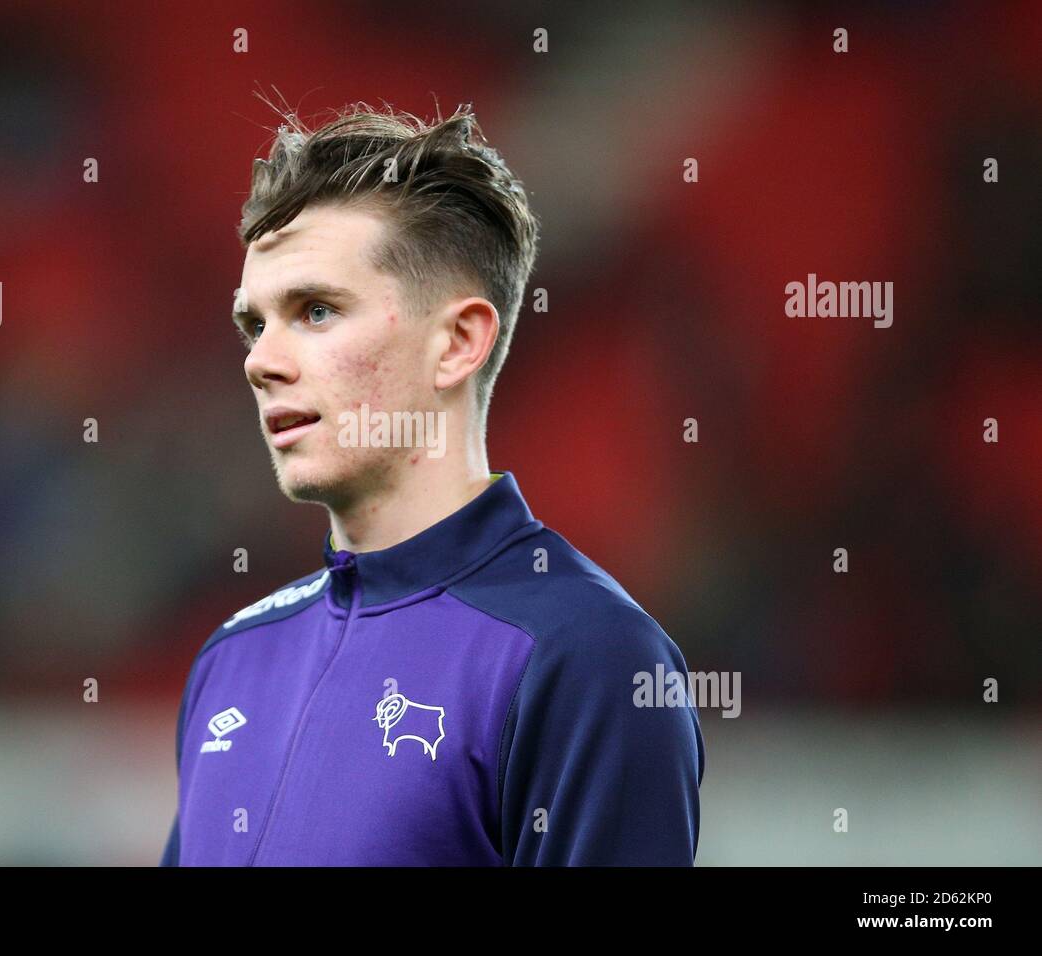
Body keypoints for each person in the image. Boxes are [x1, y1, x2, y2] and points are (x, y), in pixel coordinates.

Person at [160, 102, 703, 866]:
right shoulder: (233, 659)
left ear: (456, 343)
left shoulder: (588, 657)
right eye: (256, 324)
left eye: (316, 311)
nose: (261, 362)